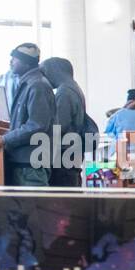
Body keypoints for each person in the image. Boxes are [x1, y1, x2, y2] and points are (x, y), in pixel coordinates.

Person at [0, 42, 55, 187]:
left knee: (34, 208)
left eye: (15, 59)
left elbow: (37, 125)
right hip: (24, 161)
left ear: (27, 64)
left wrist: (5, 139)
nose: (11, 62)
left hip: (30, 164)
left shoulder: (38, 85)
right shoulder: (28, 83)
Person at [40, 56, 91, 188]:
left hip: (64, 156)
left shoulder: (64, 92)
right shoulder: (73, 88)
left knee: (63, 201)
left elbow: (59, 126)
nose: (43, 77)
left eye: (44, 72)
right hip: (72, 153)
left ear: (55, 71)